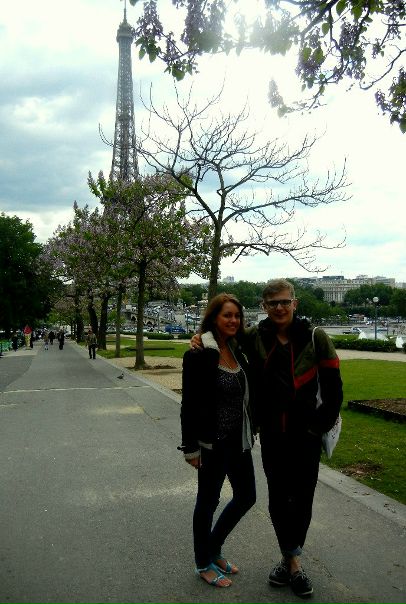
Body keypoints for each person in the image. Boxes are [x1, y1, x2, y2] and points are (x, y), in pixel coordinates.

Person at [192, 279, 343, 598]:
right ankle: (292, 562)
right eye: (273, 303)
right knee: (277, 499)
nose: (279, 308)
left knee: (302, 499)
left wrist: (318, 427)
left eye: (285, 302)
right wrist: (200, 338)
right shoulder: (255, 337)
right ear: (264, 307)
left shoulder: (315, 337)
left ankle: (291, 559)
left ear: (295, 303)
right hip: (273, 435)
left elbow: (334, 390)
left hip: (306, 436)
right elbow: (222, 335)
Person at [180, 293, 256, 589]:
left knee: (246, 497)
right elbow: (189, 404)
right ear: (214, 317)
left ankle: (213, 548)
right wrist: (191, 448)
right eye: (227, 315)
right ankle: (203, 563)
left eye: (237, 315)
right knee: (207, 503)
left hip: (239, 441)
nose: (234, 320)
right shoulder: (199, 354)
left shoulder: (237, 349)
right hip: (212, 443)